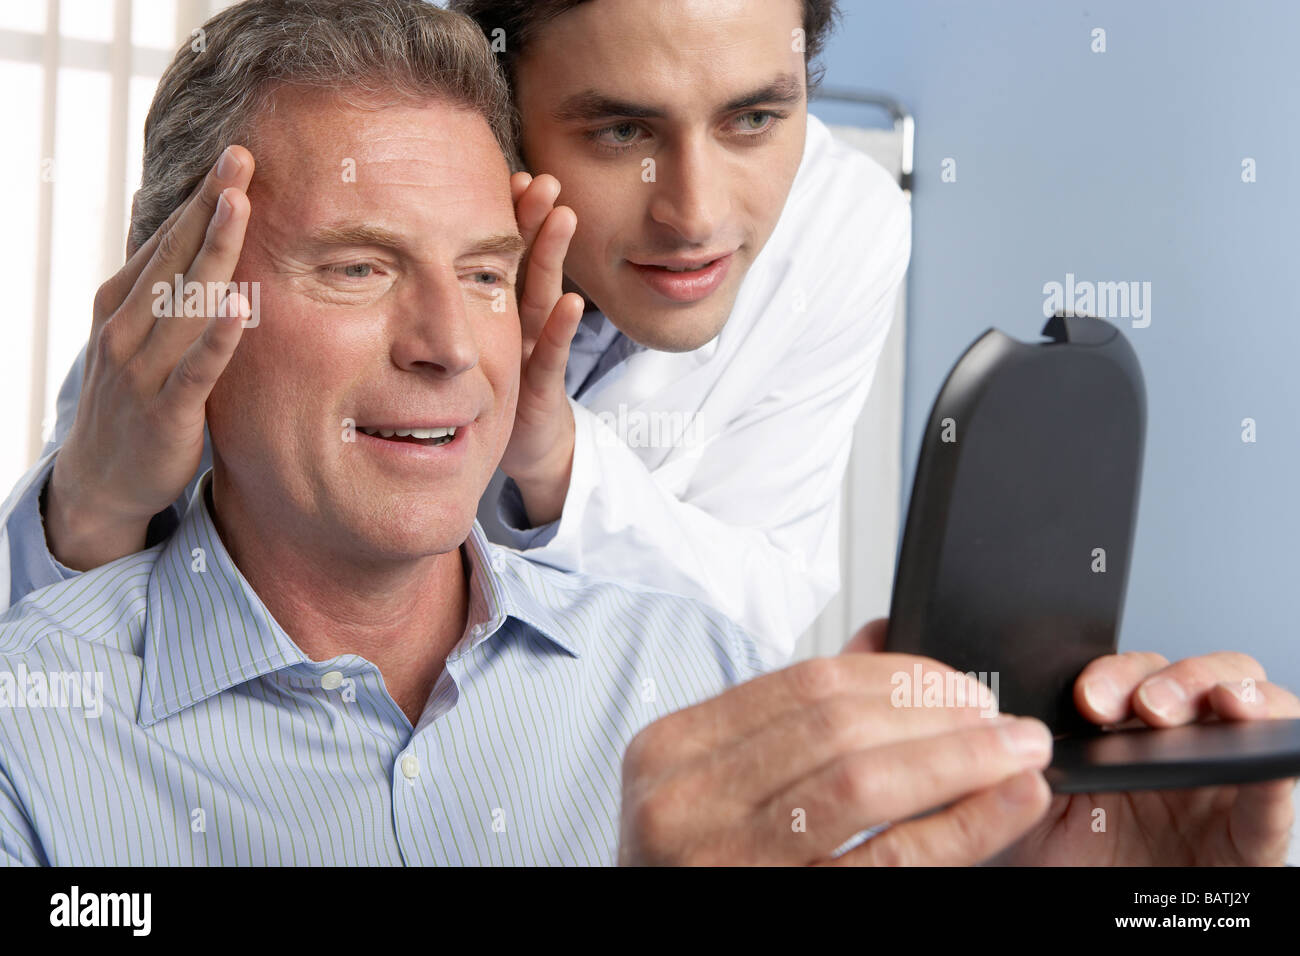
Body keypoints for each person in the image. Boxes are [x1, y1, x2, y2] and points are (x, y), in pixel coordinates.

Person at [2, 0, 1297, 869]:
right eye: (356, 268)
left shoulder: (704, 677)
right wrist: (91, 508)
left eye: (488, 273)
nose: (694, 213)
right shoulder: (36, 736)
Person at [0, 0, 909, 665]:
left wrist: (553, 463)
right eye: (620, 129)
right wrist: (93, 501)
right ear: (496, 110)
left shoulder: (843, 223)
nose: (696, 216)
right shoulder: (315, 167)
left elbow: (752, 618)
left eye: (755, 117)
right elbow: (55, 659)